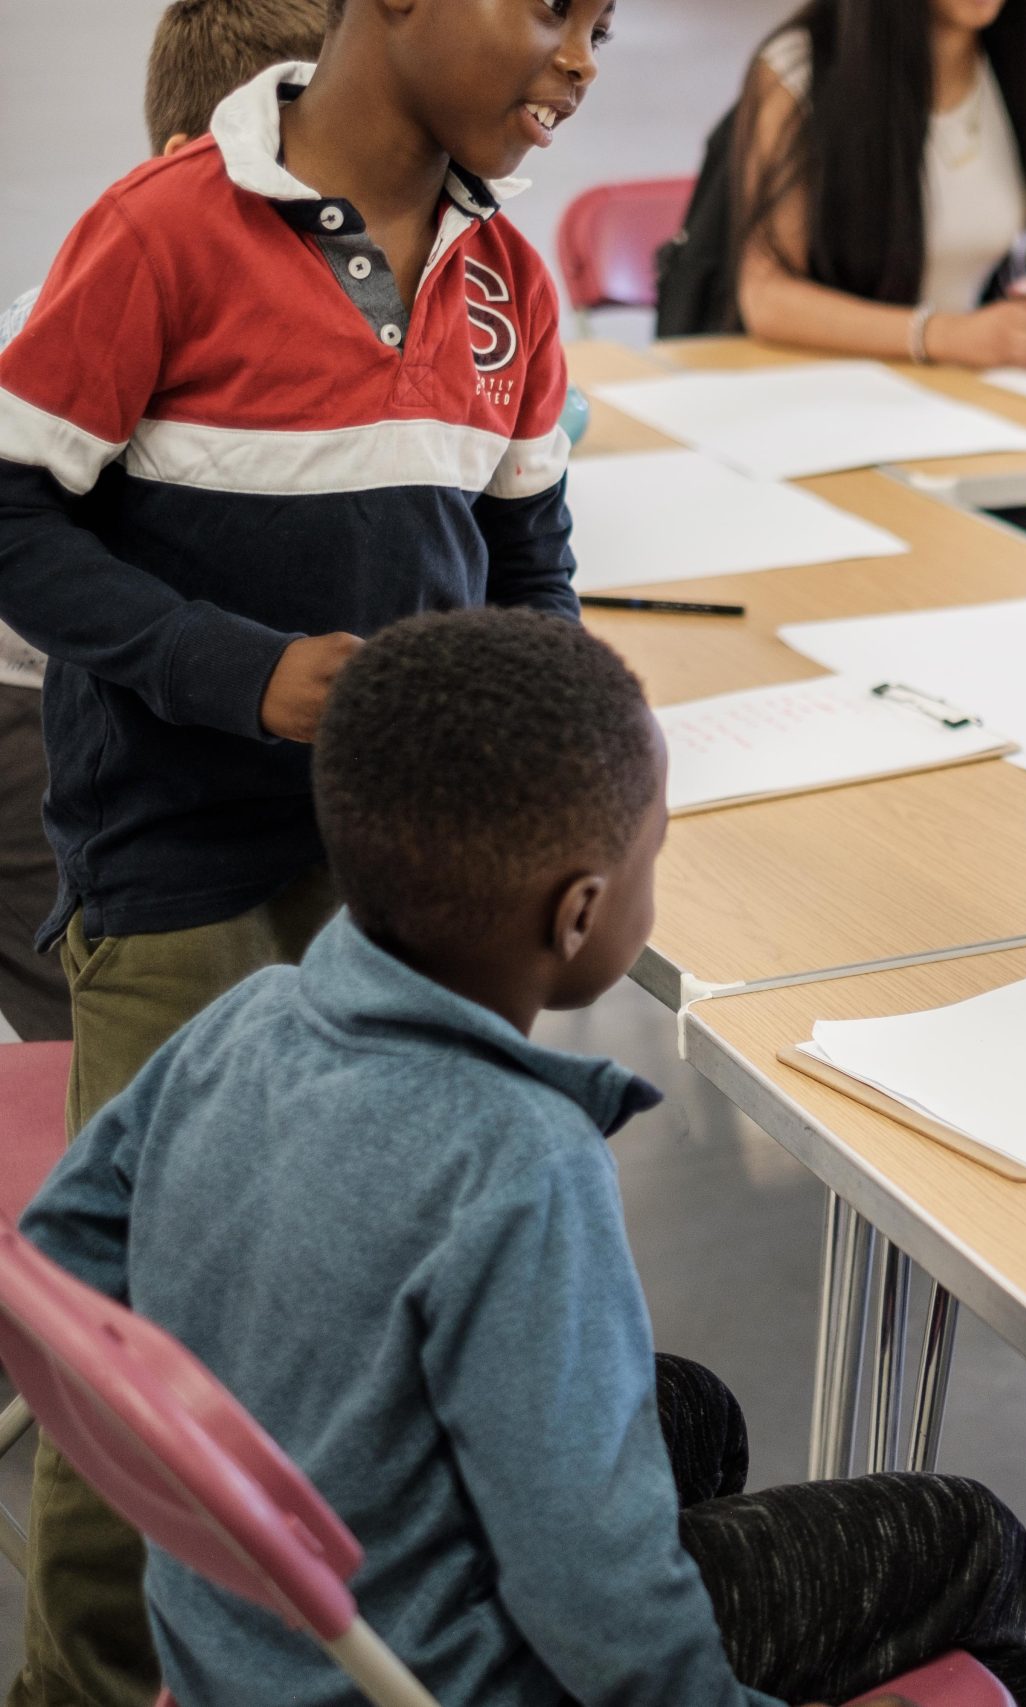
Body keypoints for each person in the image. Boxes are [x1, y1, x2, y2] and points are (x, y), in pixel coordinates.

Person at [18, 609, 1026, 1707]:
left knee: (691, 1410)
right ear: (578, 913)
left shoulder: (247, 1019)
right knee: (969, 1543)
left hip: (248, 1647)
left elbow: (67, 1253)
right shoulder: (520, 1165)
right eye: (651, 855)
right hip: (440, 1680)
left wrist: (281, 1415)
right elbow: (604, 1617)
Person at [0, 0, 603, 1695]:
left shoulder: (512, 285)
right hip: (181, 881)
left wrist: (544, 766)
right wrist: (241, 674)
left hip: (402, 897)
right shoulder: (162, 230)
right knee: (152, 1360)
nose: (582, 59)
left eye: (609, 27)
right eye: (555, 8)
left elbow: (531, 568)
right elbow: (10, 512)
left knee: (362, 1336)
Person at [0, 0, 332, 1048]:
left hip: (150, 700)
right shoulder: (100, 305)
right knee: (145, 1053)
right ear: (203, 160)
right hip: (37, 711)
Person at [662, 0, 1026, 546]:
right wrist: (944, 335)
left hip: (965, 408)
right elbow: (766, 297)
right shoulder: (801, 68)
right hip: (816, 410)